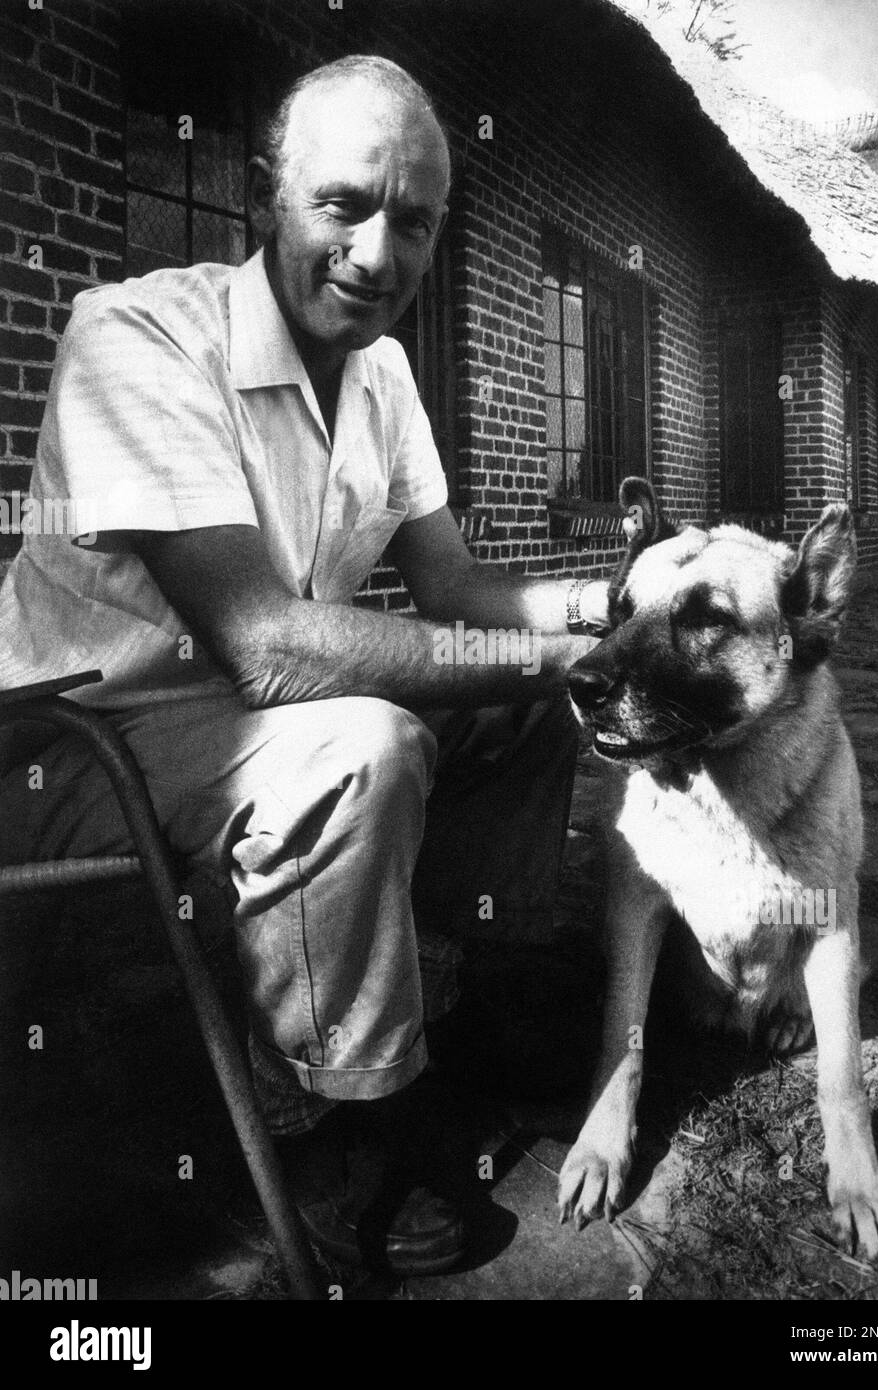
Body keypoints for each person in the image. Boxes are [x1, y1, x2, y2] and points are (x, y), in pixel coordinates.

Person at [0, 55, 610, 1275]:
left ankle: (449, 1001)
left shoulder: (381, 373)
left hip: (243, 715)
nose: (379, 255)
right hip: (78, 742)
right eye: (345, 205)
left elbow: (453, 587)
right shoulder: (135, 335)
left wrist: (616, 607)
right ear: (266, 200)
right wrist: (541, 651)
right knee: (368, 747)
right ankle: (323, 1117)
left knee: (526, 704)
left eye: (416, 222)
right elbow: (268, 645)